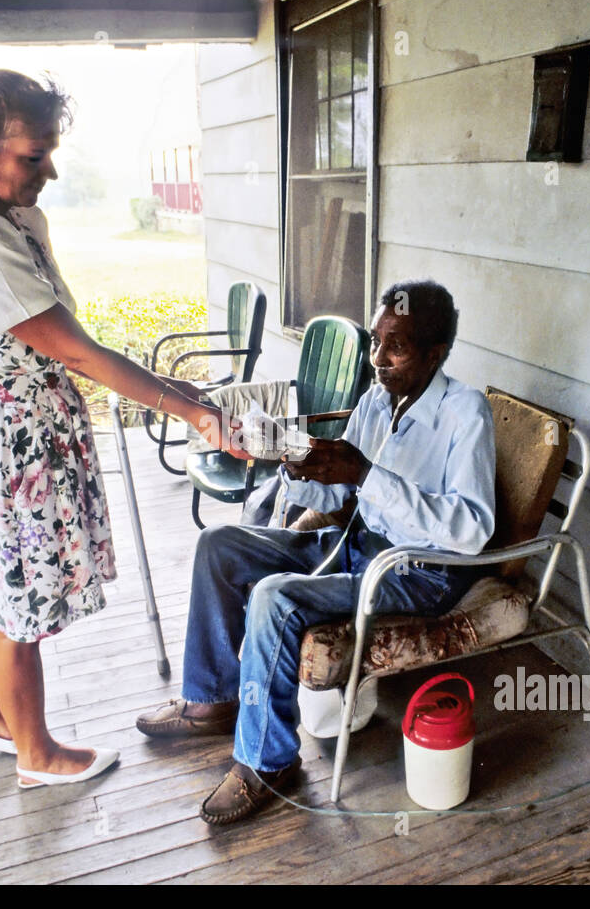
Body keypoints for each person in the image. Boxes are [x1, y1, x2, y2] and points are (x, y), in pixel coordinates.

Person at [0, 68, 247, 790]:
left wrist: (182, 387)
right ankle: (35, 753)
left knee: (11, 591)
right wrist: (189, 410)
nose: (50, 170)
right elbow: (78, 352)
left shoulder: (6, 217)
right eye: (34, 155)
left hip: (25, 435)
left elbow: (70, 339)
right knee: (24, 600)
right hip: (7, 450)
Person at [136, 280, 496, 823]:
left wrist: (368, 476)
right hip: (356, 545)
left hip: (418, 572)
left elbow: (470, 528)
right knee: (220, 545)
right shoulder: (379, 400)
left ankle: (268, 763)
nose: (377, 359)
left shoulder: (465, 413)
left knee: (275, 598)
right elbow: (338, 492)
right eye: (375, 342)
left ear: (435, 353)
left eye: (394, 346)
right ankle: (212, 697)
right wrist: (291, 462)